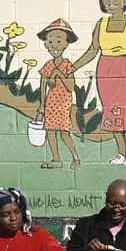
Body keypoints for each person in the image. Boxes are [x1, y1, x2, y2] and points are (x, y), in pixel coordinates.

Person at [70, 0, 126, 167]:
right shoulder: (101, 24)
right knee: (112, 112)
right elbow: (93, 50)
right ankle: (121, 153)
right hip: (106, 71)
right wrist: (73, 67)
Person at [37, 18, 81, 170]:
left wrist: (58, 73)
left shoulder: (67, 65)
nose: (54, 46)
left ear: (66, 43)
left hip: (63, 104)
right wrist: (42, 106)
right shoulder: (47, 65)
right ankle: (56, 159)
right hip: (50, 104)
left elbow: (70, 87)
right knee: (50, 132)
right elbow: (42, 86)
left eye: (58, 41)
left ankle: (75, 157)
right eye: (49, 42)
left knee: (64, 133)